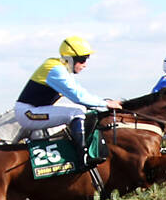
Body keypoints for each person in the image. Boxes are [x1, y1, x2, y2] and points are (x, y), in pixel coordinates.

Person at [14, 36, 122, 166]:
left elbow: (81, 93)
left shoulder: (60, 68)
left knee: (81, 110)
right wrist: (106, 104)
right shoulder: (55, 70)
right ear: (70, 58)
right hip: (28, 114)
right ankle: (82, 157)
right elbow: (78, 97)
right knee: (76, 112)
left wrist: (100, 104)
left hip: (34, 110)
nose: (85, 65)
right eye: (82, 60)